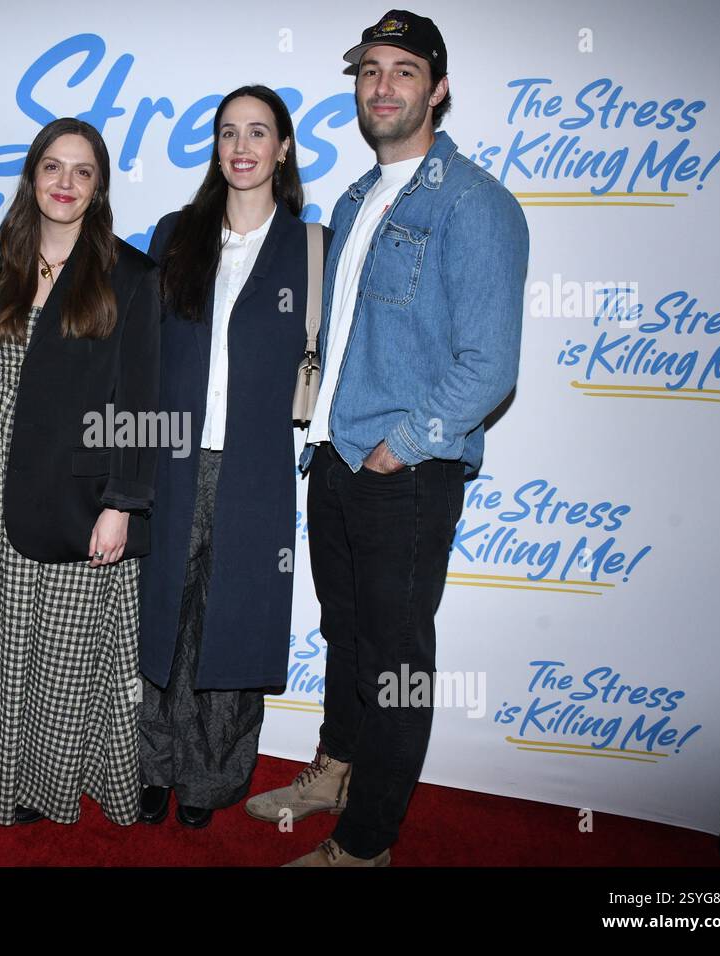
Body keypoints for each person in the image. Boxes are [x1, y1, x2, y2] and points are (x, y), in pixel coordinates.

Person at [245, 10, 528, 865]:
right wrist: (334, 444)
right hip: (333, 460)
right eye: (371, 70)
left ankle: (367, 844)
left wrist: (399, 447)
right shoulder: (356, 198)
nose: (384, 86)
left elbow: (488, 365)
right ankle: (335, 767)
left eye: (404, 71)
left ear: (438, 89)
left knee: (398, 661)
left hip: (403, 472)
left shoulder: (477, 205)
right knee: (346, 634)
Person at [0, 117, 160, 827]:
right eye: (52, 168)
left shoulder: (131, 276)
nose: (65, 184)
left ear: (98, 189)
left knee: (65, 657)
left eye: (83, 172)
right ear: (32, 177)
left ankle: (46, 785)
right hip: (0, 478)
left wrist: (122, 502)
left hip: (81, 493)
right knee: (3, 639)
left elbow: (142, 400)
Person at [136, 86, 331, 829]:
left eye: (259, 132)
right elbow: (141, 353)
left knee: (232, 626)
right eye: (228, 132)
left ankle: (209, 782)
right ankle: (153, 766)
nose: (242, 146)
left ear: (282, 148)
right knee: (161, 622)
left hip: (255, 471)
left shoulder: (314, 248)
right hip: (170, 460)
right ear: (216, 147)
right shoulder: (173, 235)